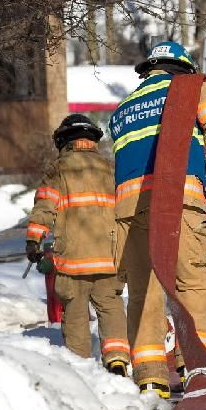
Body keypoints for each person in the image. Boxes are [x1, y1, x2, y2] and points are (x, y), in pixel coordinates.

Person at [109, 40, 206, 398]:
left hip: (129, 211)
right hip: (178, 200)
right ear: (183, 68)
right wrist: (204, 154)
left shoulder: (124, 107)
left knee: (144, 291)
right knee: (191, 281)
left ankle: (150, 377)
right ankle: (193, 364)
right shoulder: (189, 88)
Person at [26, 113, 131, 376]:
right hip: (109, 258)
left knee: (74, 313)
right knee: (111, 307)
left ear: (64, 141)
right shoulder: (110, 169)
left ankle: (81, 368)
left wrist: (33, 239)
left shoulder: (58, 169)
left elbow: (45, 208)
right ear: (92, 140)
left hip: (72, 261)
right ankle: (117, 359)